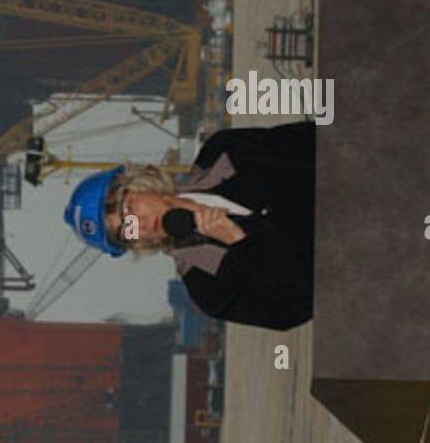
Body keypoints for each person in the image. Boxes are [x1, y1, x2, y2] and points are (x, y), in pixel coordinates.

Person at [63, 120, 316, 330]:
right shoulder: (208, 289)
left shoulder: (223, 152)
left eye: (130, 208)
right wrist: (240, 244)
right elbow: (296, 309)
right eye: (127, 230)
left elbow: (313, 140)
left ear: (138, 184)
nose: (140, 224)